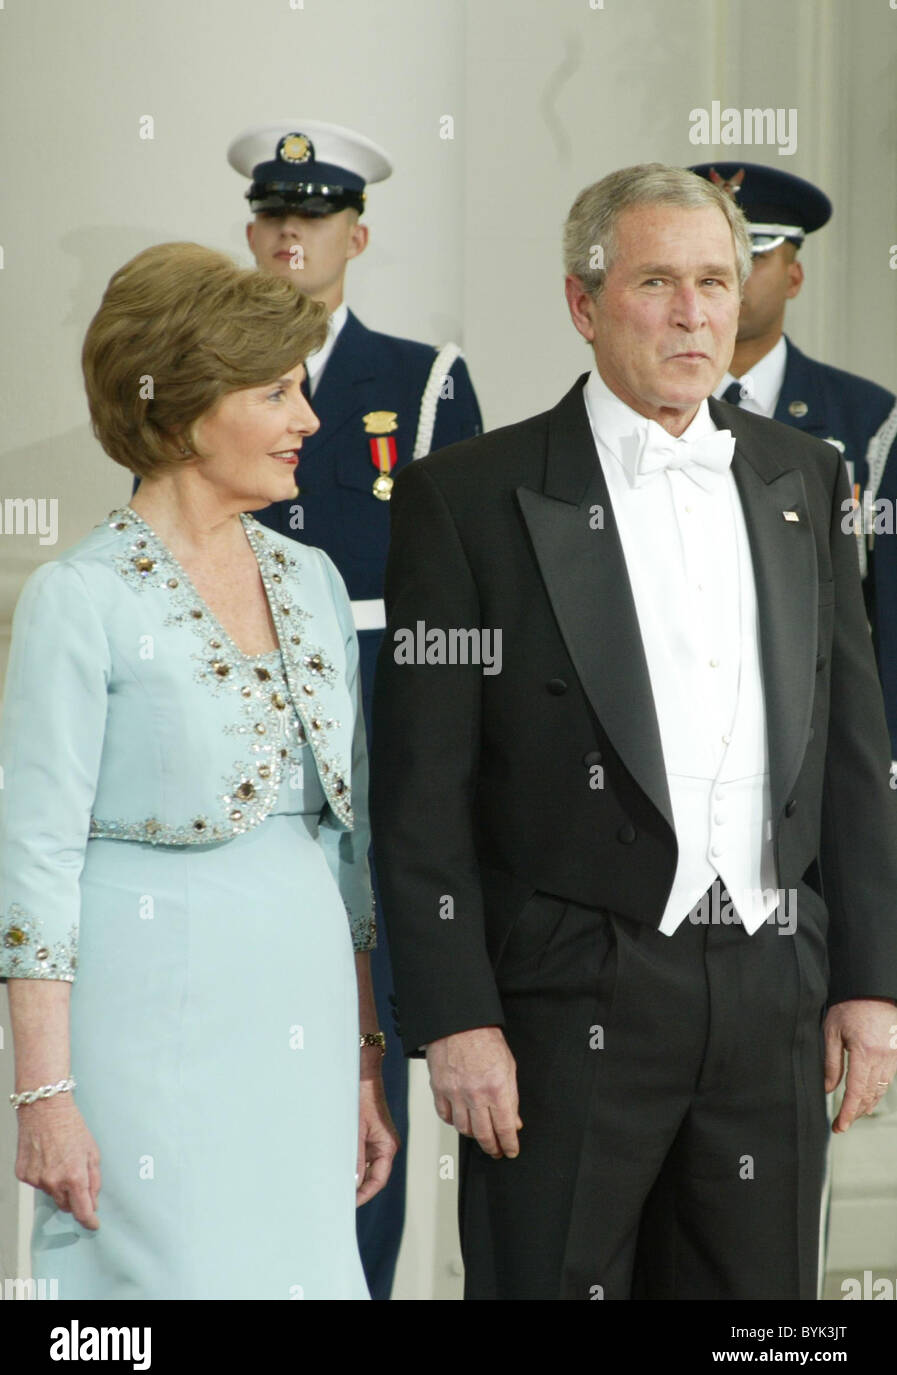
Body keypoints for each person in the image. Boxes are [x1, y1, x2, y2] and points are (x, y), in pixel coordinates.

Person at [369, 164, 897, 1300]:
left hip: (772, 988)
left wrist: (870, 982)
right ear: (584, 303)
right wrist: (456, 1018)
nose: (697, 310)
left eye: (717, 279)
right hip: (569, 997)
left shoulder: (807, 475)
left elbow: (853, 754)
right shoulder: (466, 497)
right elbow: (422, 796)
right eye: (658, 281)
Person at [0, 242, 397, 1299]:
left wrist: (363, 1056)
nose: (309, 418)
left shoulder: (312, 579)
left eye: (303, 385)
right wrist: (44, 1092)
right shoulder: (77, 600)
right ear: (177, 412)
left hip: (301, 1017)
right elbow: (32, 863)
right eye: (274, 390)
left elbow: (345, 844)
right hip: (145, 1029)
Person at [227, 119, 483, 1297]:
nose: (292, 232)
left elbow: (458, 601)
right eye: (276, 212)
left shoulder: (423, 384)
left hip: (377, 749)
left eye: (316, 215)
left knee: (362, 1038)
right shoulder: (200, 375)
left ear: (357, 234)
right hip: (231, 747)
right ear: (249, 229)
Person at [690, 162, 897, 778]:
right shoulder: (648, 406)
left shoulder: (868, 418)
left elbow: (884, 608)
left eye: (754, 249)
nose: (734, 273)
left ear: (796, 274)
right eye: (713, 253)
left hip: (821, 734)